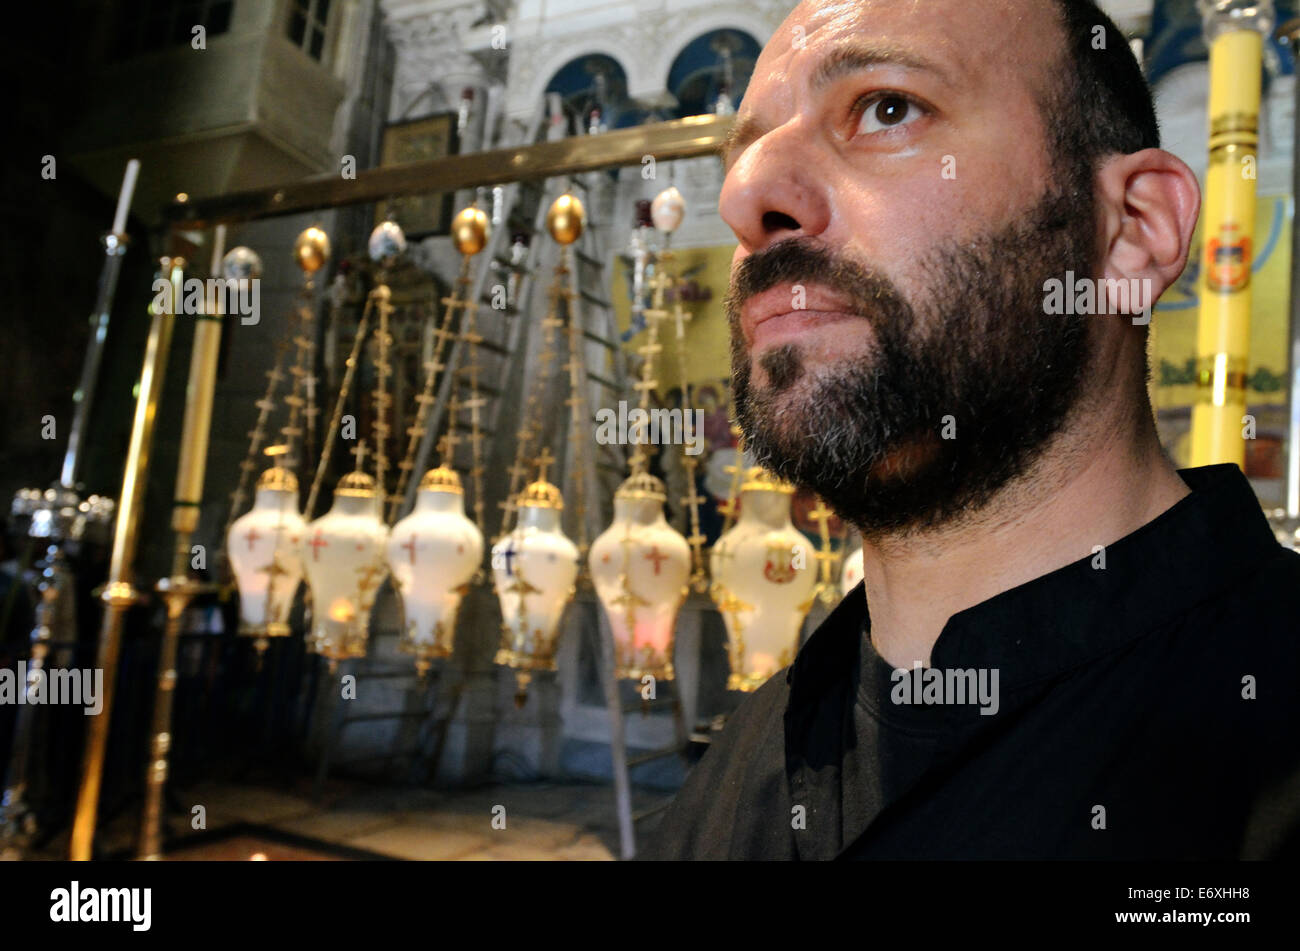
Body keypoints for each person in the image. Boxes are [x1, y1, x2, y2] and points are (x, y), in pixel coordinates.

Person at [648, 0, 1300, 860]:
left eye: (887, 108)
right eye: (744, 154)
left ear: (1133, 231)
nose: (745, 197)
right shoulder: (743, 766)